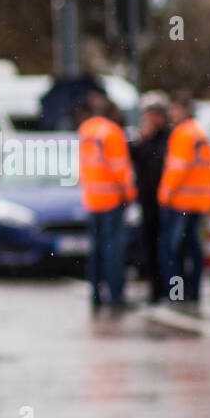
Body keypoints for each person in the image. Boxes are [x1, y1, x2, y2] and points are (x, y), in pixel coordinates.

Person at [158, 92, 210, 306]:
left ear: (184, 110)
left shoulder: (183, 134)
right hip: (198, 203)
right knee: (193, 250)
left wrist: (164, 195)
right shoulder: (200, 134)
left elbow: (177, 169)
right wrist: (207, 196)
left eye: (174, 109)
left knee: (173, 252)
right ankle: (194, 292)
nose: (171, 114)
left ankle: (176, 294)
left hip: (179, 202)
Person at [76, 97, 136, 311]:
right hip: (111, 200)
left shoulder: (86, 130)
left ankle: (95, 293)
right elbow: (120, 168)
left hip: (92, 199)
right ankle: (115, 295)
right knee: (114, 250)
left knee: (96, 250)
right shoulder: (112, 132)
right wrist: (129, 194)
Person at [128, 92, 171, 303]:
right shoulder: (144, 139)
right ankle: (155, 292)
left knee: (171, 249)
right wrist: (141, 139)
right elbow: (132, 158)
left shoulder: (170, 138)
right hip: (148, 201)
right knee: (151, 247)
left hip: (168, 201)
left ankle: (175, 292)